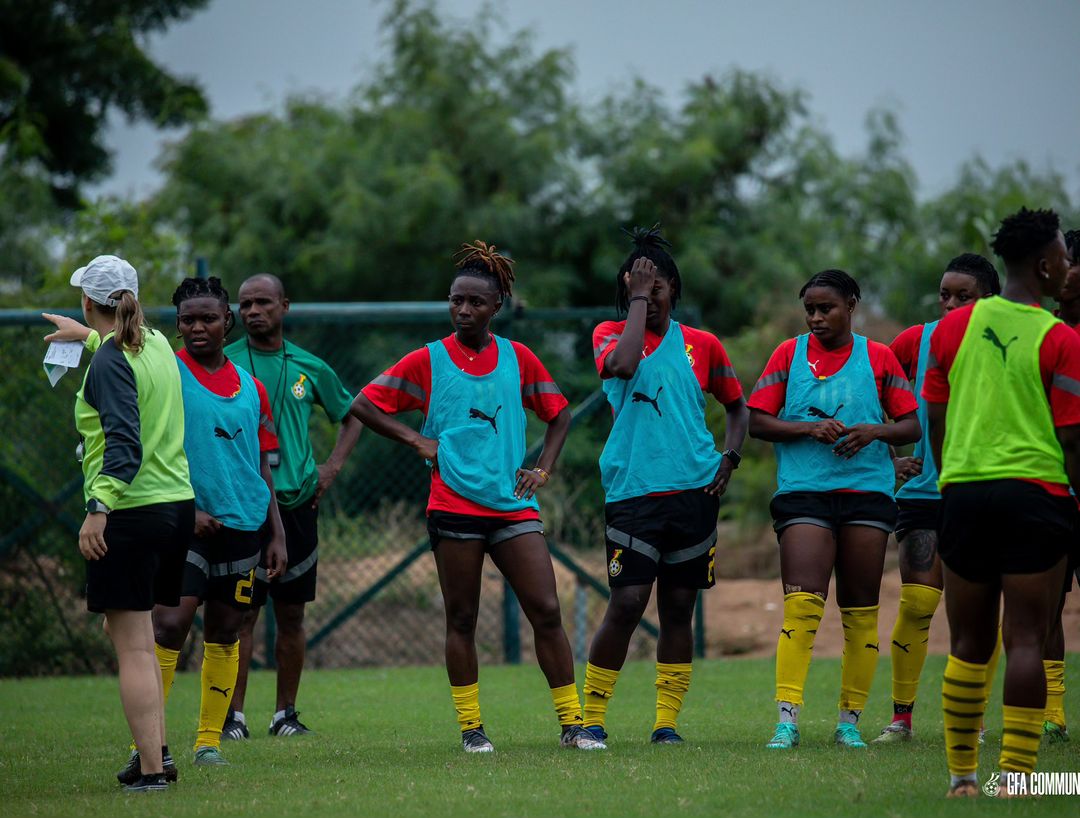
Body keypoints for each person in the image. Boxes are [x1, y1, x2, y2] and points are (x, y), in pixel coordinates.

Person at [349, 241, 603, 753]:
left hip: (512, 506)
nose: (463, 310)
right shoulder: (428, 360)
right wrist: (415, 439)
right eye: (456, 300)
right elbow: (363, 404)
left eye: (475, 302)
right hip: (453, 507)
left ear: (496, 307)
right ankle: (472, 729)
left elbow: (559, 414)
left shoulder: (518, 358)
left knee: (547, 610)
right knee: (461, 619)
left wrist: (544, 469)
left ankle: (573, 725)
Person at [923, 207, 1080, 797]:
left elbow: (933, 415)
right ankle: (1015, 779)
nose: (1068, 265)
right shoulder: (1059, 338)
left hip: (963, 492)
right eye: (1064, 255)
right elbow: (1071, 437)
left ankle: (963, 779)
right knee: (1024, 639)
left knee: (967, 643)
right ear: (1044, 265)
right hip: (1035, 495)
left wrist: (950, 478)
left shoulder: (951, 329)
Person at [582, 226, 749, 746]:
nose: (648, 296)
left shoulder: (704, 345)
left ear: (673, 289)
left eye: (657, 287)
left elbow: (736, 406)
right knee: (628, 601)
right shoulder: (609, 335)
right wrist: (635, 300)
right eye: (638, 287)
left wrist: (731, 457)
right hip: (633, 492)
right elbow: (626, 365)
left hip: (694, 491)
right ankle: (591, 719)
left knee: (679, 609)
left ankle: (666, 724)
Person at [748, 269, 920, 750]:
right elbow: (756, 420)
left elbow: (910, 425)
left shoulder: (879, 358)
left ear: (852, 305)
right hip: (804, 491)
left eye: (827, 308)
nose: (817, 318)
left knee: (860, 611)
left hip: (867, 492)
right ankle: (787, 722)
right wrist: (806, 430)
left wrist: (873, 431)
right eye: (810, 310)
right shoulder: (788, 354)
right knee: (802, 605)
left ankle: (849, 722)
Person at [43, 256, 195, 792]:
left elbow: (124, 448)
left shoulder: (111, 361)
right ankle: (158, 753)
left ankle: (153, 771)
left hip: (131, 511)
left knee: (132, 644)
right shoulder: (157, 345)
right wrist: (86, 335)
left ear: (88, 301)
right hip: (175, 507)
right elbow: (118, 348)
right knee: (129, 633)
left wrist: (96, 510)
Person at [138, 277, 288, 769]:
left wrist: (276, 532)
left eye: (208, 318)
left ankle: (209, 742)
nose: (197, 327)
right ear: (177, 326)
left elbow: (262, 464)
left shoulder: (253, 388)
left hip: (244, 525)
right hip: (184, 522)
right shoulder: (167, 375)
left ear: (228, 321)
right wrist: (188, 509)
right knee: (170, 624)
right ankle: (151, 744)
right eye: (187, 320)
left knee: (226, 630)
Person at [222, 274, 363, 739]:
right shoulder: (224, 364)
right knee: (239, 613)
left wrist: (331, 467)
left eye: (263, 302)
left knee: (292, 614)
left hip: (299, 503)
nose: (253, 312)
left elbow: (353, 415)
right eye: (245, 305)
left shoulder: (309, 366)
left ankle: (285, 713)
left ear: (285, 305)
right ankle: (232, 716)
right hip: (242, 504)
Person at [872, 254, 1001, 744]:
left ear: (987, 298)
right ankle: (901, 719)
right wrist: (889, 457)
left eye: (961, 296)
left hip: (985, 490)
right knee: (918, 602)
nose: (949, 304)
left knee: (977, 611)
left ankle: (976, 718)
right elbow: (870, 386)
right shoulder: (916, 340)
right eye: (944, 295)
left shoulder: (1004, 340)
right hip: (925, 492)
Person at [1042, 227, 1080, 744]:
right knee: (1044, 605)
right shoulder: (1040, 334)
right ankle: (1053, 713)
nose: (1063, 271)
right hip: (1047, 490)